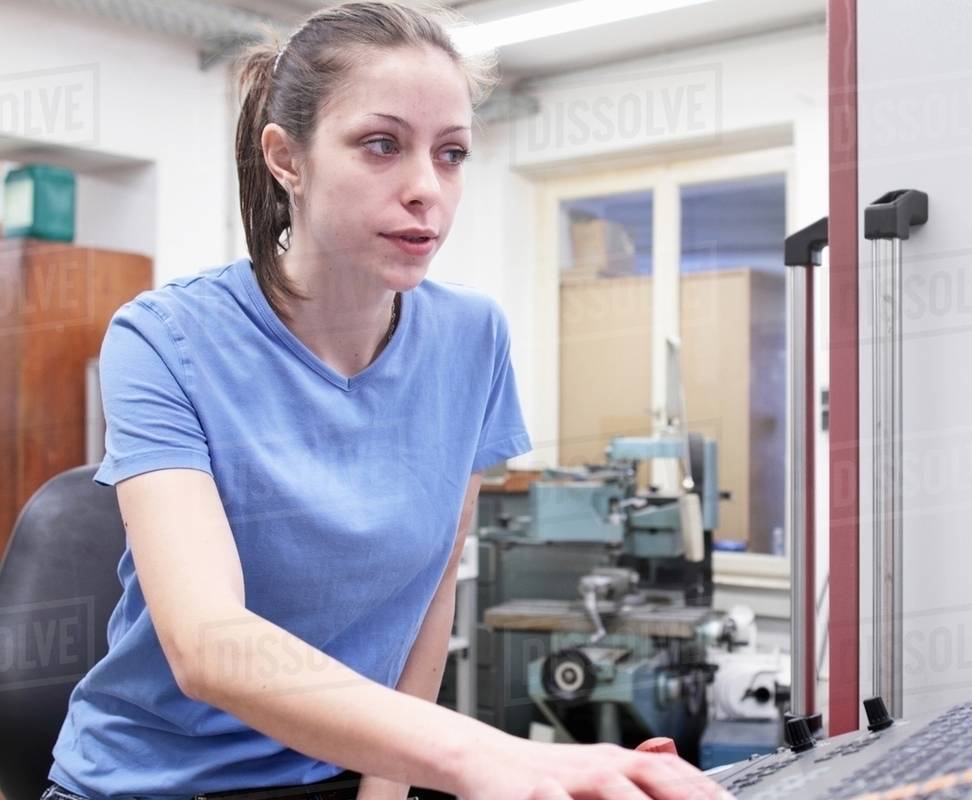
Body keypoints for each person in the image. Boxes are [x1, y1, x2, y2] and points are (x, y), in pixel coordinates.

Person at [40, 2, 733, 799]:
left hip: (343, 776)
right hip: (152, 785)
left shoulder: (472, 338)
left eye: (451, 154)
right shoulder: (164, 338)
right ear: (286, 158)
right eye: (381, 145)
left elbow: (432, 594)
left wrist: (388, 789)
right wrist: (491, 756)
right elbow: (209, 645)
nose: (425, 190)